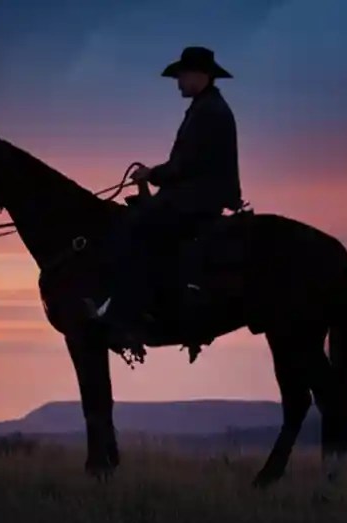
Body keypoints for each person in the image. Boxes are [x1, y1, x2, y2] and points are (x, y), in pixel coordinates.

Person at [92, 46, 242, 350]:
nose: (178, 83)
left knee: (134, 227)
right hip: (199, 192)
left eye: (182, 76)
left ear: (200, 75)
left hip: (199, 197)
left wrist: (151, 174)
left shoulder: (209, 112)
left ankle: (130, 313)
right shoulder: (207, 107)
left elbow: (186, 164)